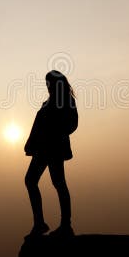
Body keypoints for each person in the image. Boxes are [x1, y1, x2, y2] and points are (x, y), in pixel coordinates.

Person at [23, 70, 79, 238]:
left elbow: (72, 124)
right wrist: (31, 143)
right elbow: (40, 124)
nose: (47, 86)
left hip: (52, 149)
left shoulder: (64, 100)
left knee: (57, 183)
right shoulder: (51, 100)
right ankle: (42, 223)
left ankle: (63, 225)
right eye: (46, 83)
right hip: (43, 149)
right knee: (35, 181)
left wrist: (55, 134)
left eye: (49, 83)